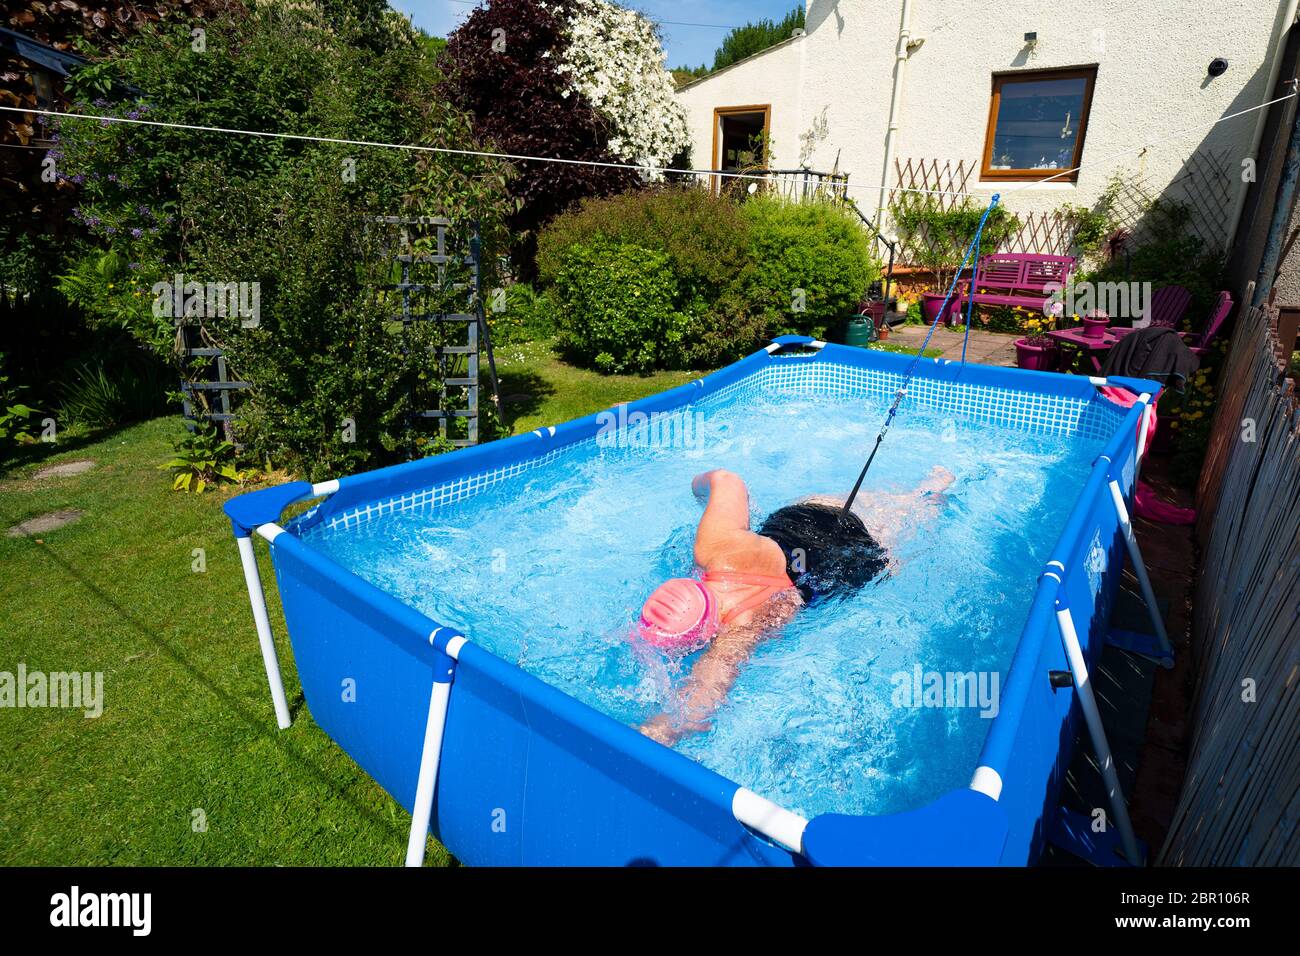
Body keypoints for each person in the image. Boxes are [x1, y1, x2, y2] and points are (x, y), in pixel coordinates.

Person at [637, 465, 955, 746]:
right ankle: (930, 486)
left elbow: (700, 702)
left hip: (846, 557)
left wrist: (659, 730)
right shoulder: (715, 546)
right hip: (808, 515)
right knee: (890, 502)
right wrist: (697, 489)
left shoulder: (741, 628)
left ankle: (931, 493)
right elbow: (725, 478)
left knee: (910, 525)